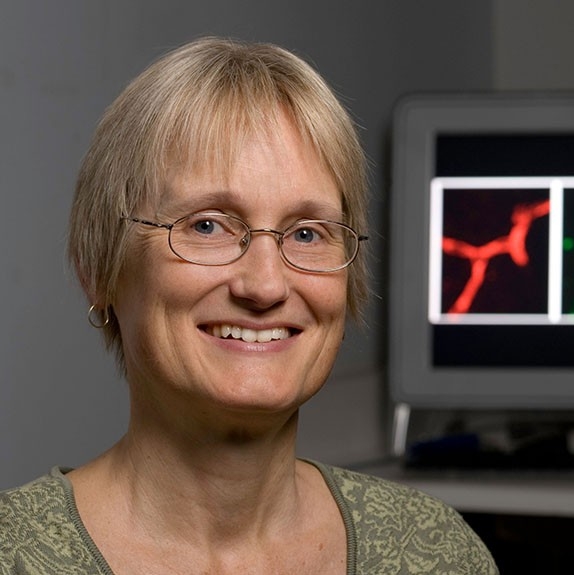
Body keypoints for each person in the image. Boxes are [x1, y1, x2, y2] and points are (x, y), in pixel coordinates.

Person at [0, 36, 498, 575]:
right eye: (207, 225)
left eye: (307, 233)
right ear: (99, 270)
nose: (264, 286)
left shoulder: (434, 551)